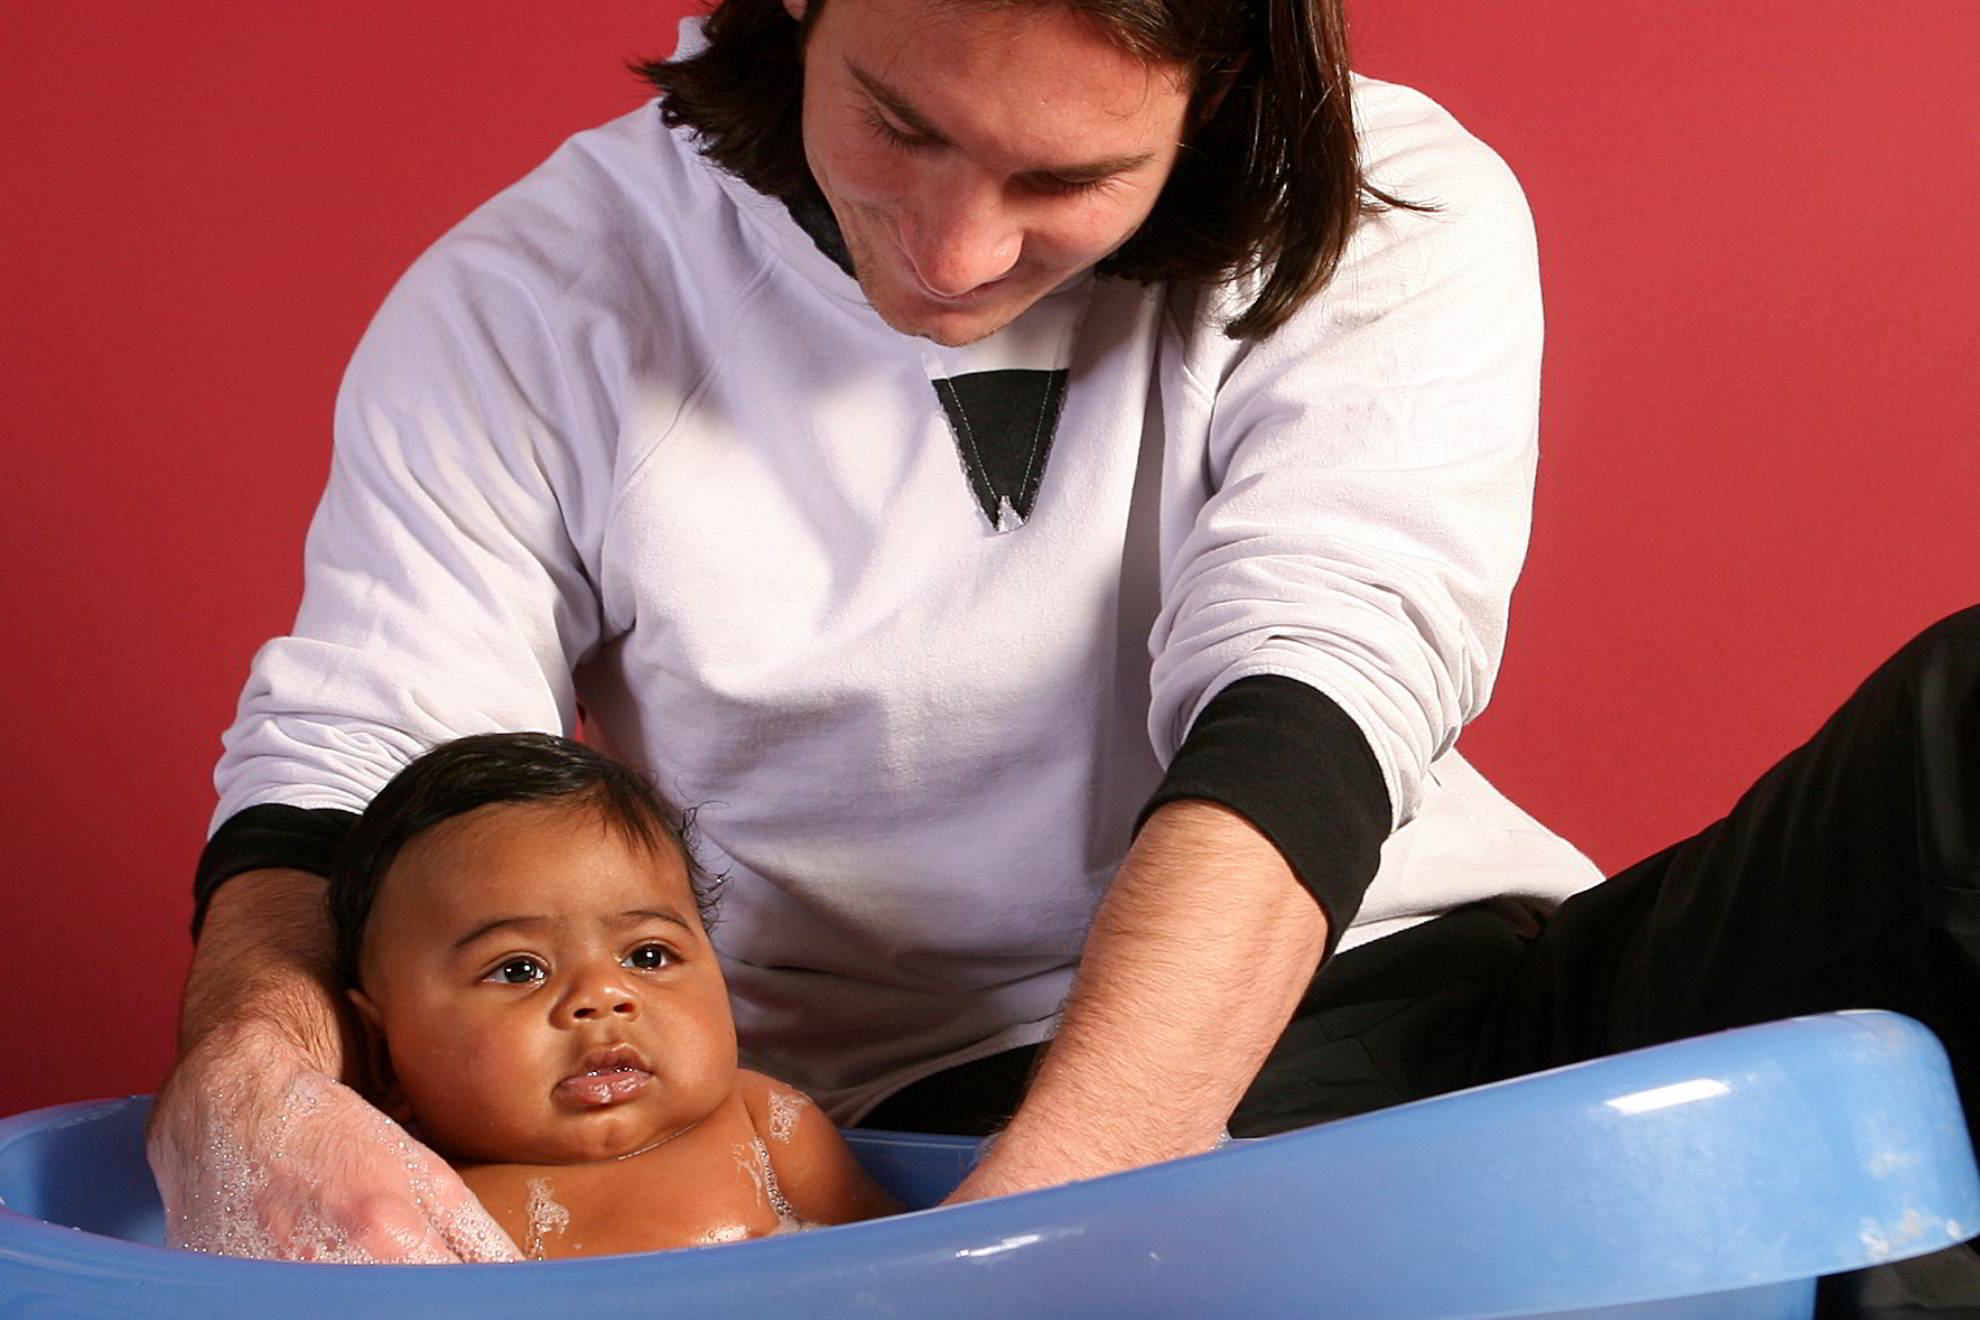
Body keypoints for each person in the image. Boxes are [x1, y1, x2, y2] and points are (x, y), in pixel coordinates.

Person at [145, 0, 1980, 1306]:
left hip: (1483, 996)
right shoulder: (539, 295)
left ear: (1228, 84)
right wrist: (245, 1091)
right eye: (903, 123)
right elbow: (366, 771)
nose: (951, 249)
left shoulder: (1397, 201)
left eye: (1063, 176)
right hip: (969, 1109)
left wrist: (1053, 1253)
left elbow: (1312, 700)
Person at [328, 732, 900, 1258]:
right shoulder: (390, 1192)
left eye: (647, 956)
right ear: (380, 1051)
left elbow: (894, 1270)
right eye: (519, 970)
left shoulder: (768, 1127)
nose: (603, 995)